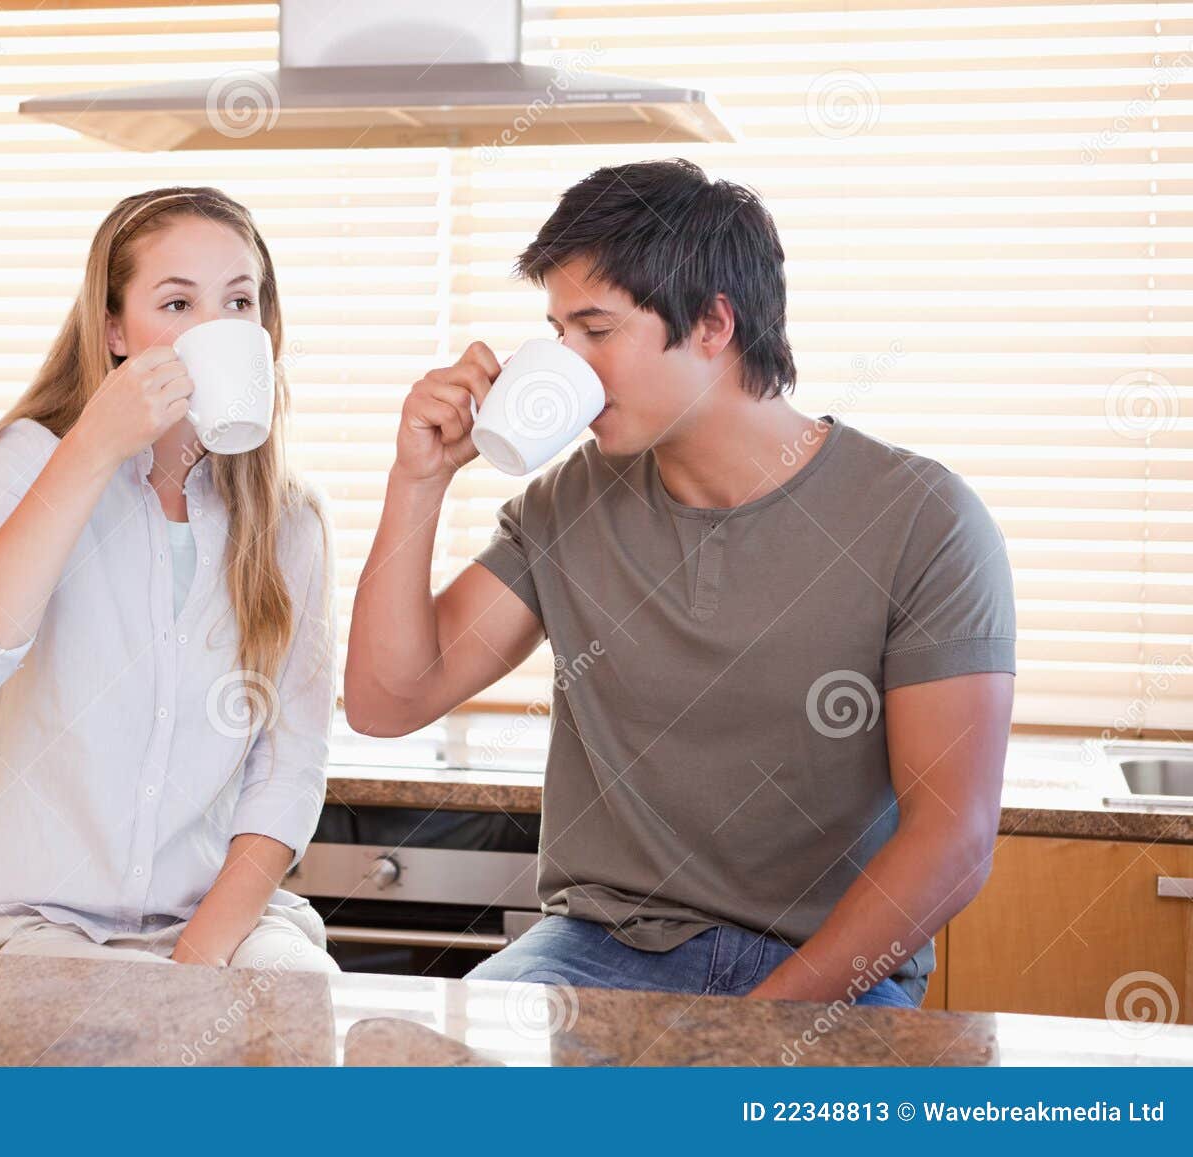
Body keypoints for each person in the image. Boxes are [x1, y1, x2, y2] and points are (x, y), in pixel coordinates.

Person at [344, 159, 1016, 1007]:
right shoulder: (570, 501)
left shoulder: (924, 519)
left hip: (827, 976)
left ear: (711, 324)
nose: (567, 366)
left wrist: (758, 1030)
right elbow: (387, 700)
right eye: (557, 334)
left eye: (596, 330)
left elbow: (954, 839)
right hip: (595, 951)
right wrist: (419, 480)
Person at [0, 186, 338, 973]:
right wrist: (91, 447)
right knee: (115, 1027)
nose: (214, 328)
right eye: (177, 304)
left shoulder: (290, 524)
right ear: (114, 330)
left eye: (238, 301)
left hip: (219, 923)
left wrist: (200, 954)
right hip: (42, 921)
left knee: (300, 1001)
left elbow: (289, 768)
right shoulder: (32, 460)